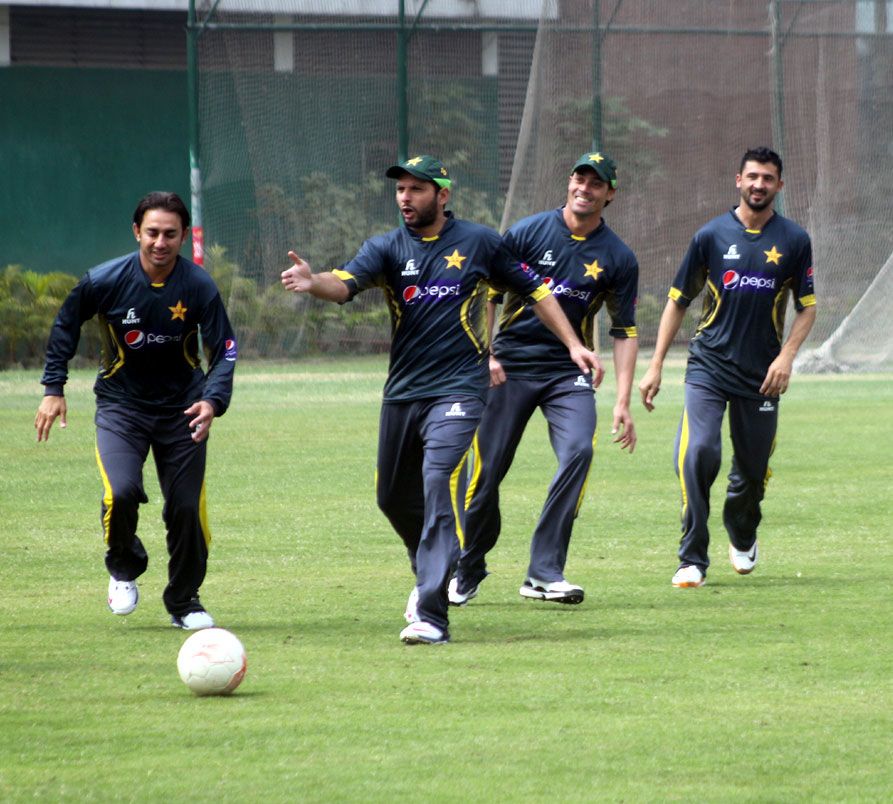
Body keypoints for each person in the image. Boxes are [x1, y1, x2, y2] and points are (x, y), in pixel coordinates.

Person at [281, 155, 600, 644]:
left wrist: (574, 343)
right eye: (401, 190)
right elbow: (344, 283)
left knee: (438, 483)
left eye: (417, 189)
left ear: (443, 195)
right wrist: (312, 283)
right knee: (390, 496)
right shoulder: (386, 247)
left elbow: (535, 290)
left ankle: (431, 613)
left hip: (459, 389)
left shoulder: (479, 242)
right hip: (404, 392)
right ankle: (429, 562)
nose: (405, 198)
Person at [35, 191, 237, 629]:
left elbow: (224, 350)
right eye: (151, 233)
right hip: (121, 408)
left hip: (183, 410)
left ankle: (185, 603)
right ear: (136, 232)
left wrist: (212, 400)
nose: (160, 242)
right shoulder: (104, 281)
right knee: (121, 492)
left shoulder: (198, 285)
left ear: (183, 236)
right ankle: (123, 567)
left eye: (169, 234)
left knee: (186, 507)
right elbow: (65, 324)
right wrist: (54, 387)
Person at [448, 151, 639, 607]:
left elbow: (624, 331)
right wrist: (487, 353)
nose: (584, 189)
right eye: (579, 179)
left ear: (610, 193)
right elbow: (487, 296)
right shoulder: (527, 232)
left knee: (578, 451)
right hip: (509, 366)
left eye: (595, 184)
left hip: (566, 374)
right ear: (569, 182)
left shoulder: (618, 257)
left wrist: (623, 401)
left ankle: (544, 572)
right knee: (486, 473)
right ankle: (469, 563)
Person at [638, 147, 816, 587]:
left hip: (762, 375)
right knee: (699, 452)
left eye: (768, 178)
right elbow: (678, 302)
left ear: (779, 185)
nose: (759, 184)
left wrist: (786, 356)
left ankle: (742, 531)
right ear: (738, 179)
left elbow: (808, 308)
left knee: (751, 474)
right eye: (752, 176)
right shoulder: (710, 236)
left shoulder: (794, 240)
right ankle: (692, 557)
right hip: (708, 365)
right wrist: (655, 364)